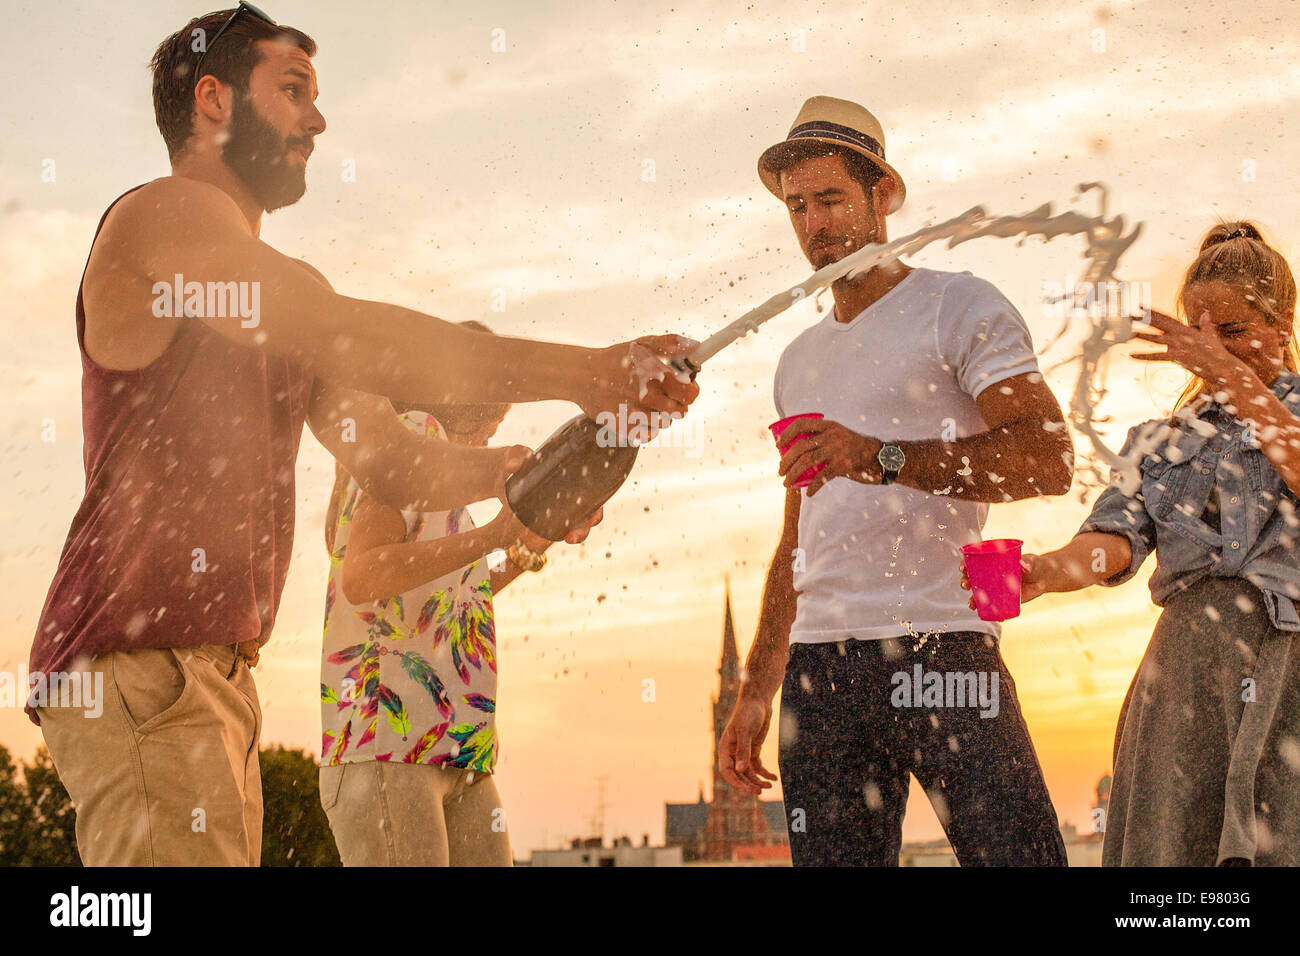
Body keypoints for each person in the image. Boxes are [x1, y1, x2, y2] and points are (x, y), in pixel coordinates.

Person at [29, 5, 698, 866]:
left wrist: (513, 479)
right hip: (136, 658)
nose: (317, 118)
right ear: (213, 100)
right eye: (294, 90)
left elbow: (392, 459)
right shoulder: (161, 218)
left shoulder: (296, 295)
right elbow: (350, 333)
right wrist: (588, 372)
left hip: (217, 674)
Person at [717, 96, 1073, 866]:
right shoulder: (797, 360)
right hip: (821, 677)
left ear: (883, 198)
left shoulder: (958, 306)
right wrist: (756, 685)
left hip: (941, 646)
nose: (813, 223)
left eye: (832, 199)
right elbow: (798, 538)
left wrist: (879, 456)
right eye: (798, 205)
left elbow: (1050, 459)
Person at [963, 221, 1300, 866]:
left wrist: (1241, 384)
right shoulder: (1157, 440)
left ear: (1282, 323)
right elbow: (1111, 540)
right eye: (1200, 336)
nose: (1213, 352)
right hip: (1181, 678)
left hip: (1287, 670)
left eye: (1231, 332)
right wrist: (1050, 569)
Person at [319, 321, 599, 866]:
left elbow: (448, 598)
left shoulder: (441, 471)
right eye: (498, 397)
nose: (503, 417)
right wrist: (494, 533)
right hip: (389, 745)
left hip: (459, 748)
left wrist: (525, 544)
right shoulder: (411, 435)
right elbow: (364, 576)